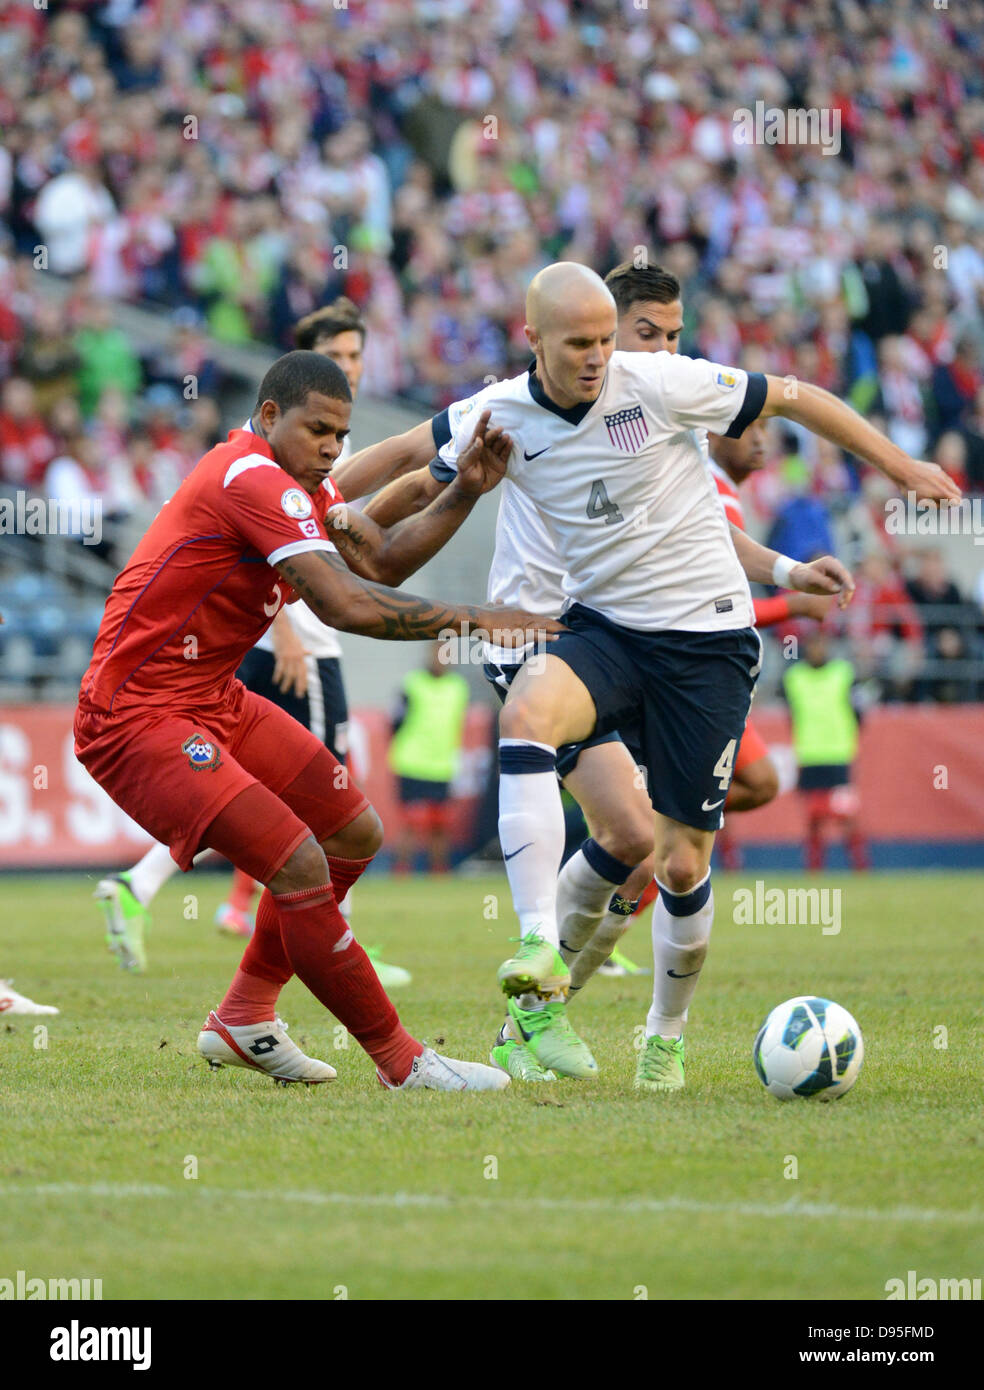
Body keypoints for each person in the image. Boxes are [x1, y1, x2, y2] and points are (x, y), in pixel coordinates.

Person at [408, 262, 956, 1090]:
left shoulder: (668, 404)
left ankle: (654, 1034)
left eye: (661, 336)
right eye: (625, 336)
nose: (626, 353)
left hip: (700, 648)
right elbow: (415, 458)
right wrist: (309, 517)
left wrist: (798, 555)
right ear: (552, 340)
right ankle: (534, 965)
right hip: (573, 626)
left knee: (669, 859)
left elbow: (742, 474)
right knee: (536, 719)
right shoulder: (516, 409)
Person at [75, 349, 559, 1092]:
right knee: (298, 859)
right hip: (136, 713)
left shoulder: (291, 483)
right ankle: (404, 1063)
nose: (333, 448)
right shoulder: (251, 479)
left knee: (352, 832)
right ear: (270, 416)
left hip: (211, 696)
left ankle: (244, 1017)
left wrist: (461, 488)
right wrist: (480, 619)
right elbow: (349, 605)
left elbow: (384, 558)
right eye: (320, 430)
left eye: (341, 432)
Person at [94, 300, 409, 989]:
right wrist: (290, 631)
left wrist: (447, 460)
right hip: (299, 647)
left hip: (230, 671)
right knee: (309, 820)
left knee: (292, 811)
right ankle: (316, 935)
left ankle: (159, 892)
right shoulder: (263, 463)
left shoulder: (316, 448)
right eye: (342, 355)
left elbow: (358, 523)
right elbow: (293, 566)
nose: (353, 368)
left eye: (359, 357)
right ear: (283, 401)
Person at [783, 630, 868, 871]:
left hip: (838, 756)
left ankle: (860, 867)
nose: (817, 649)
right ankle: (815, 869)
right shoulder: (794, 677)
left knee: (847, 815)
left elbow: (859, 712)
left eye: (821, 643)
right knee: (813, 818)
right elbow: (792, 715)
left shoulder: (844, 673)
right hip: (810, 756)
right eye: (813, 644)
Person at [388, 642, 470, 874]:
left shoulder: (459, 687)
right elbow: (395, 721)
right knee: (410, 822)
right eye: (437, 653)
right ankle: (401, 871)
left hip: (442, 765)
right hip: (411, 762)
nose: (441, 659)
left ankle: (439, 873)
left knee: (440, 825)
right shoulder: (412, 683)